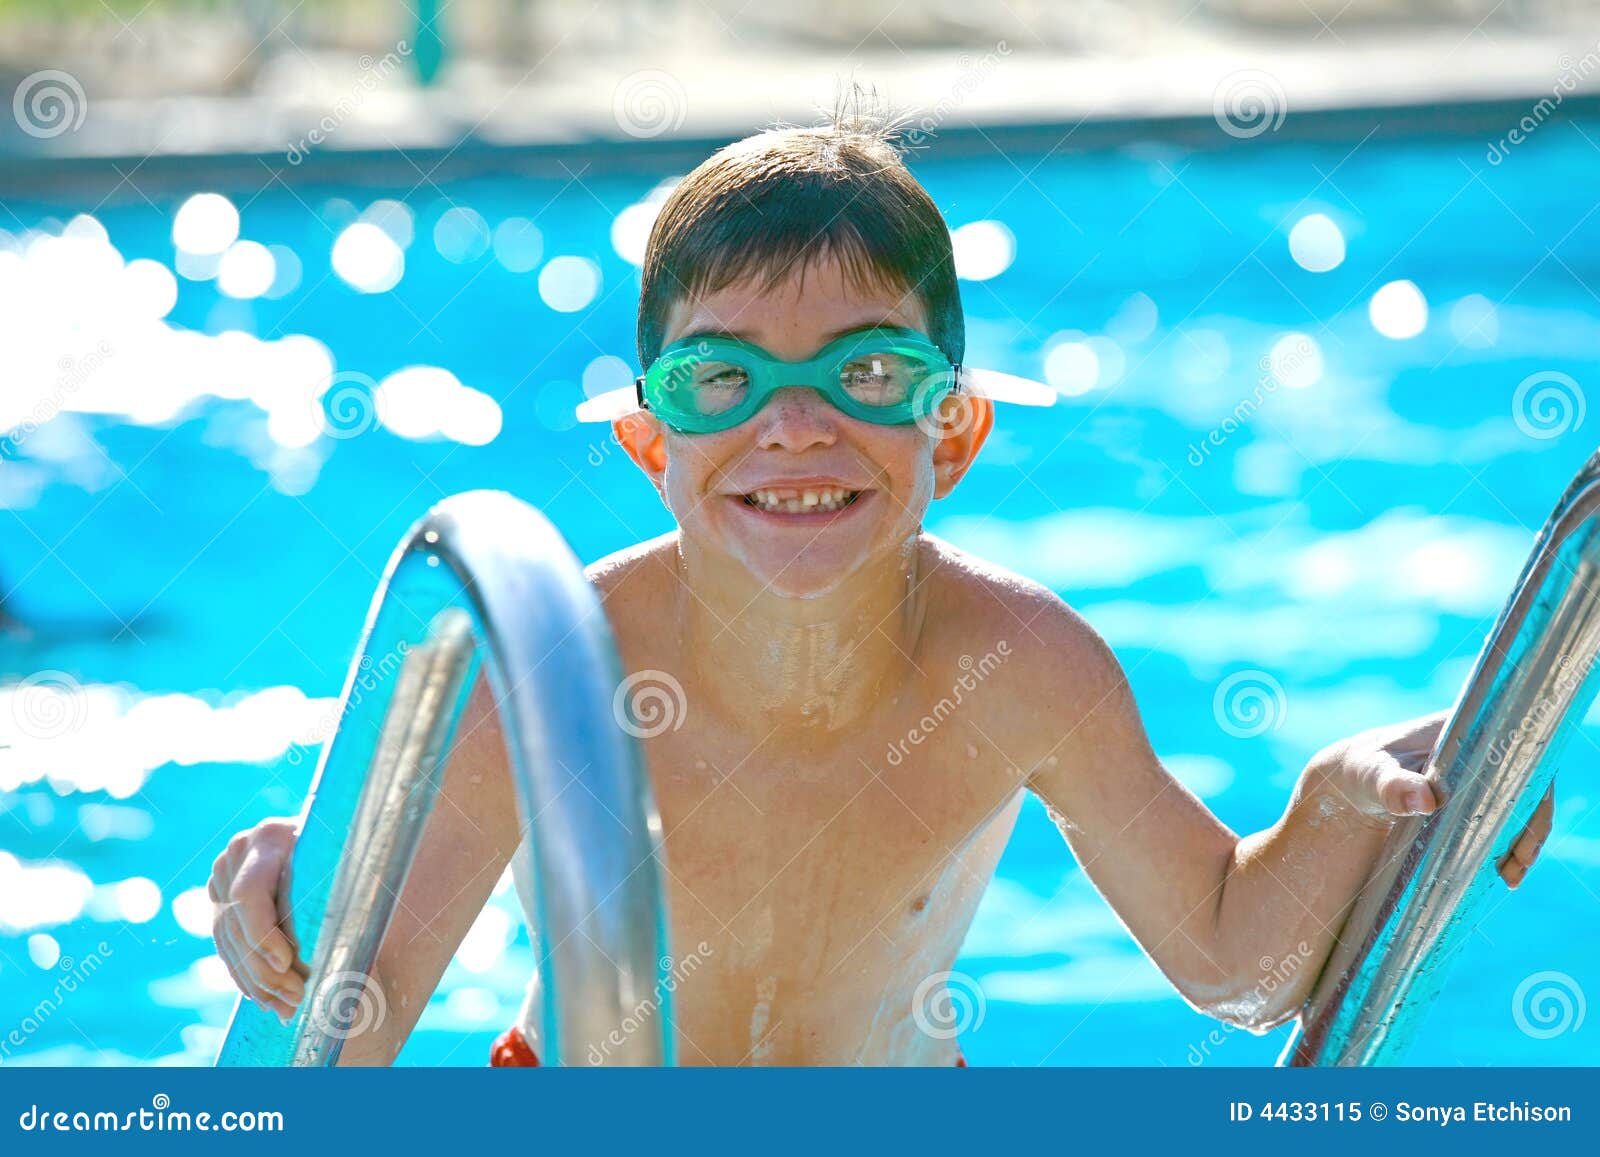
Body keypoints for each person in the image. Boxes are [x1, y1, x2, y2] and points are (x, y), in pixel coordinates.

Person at [208, 95, 1553, 1066]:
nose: (794, 426)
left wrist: (1342, 805)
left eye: (865, 372)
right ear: (652, 444)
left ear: (952, 433)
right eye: (722, 378)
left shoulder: (1022, 667)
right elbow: (353, 1027)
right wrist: (306, 893)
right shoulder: (553, 668)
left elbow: (1230, 961)